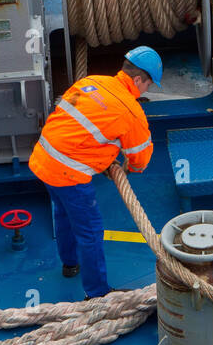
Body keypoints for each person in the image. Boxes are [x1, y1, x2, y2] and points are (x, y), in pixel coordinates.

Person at [28, 46, 163, 299]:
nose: (147, 90)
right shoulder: (131, 112)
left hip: (42, 159)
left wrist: (102, 160)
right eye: (148, 85)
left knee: (62, 213)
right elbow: (140, 159)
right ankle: (97, 294)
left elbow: (79, 126)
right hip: (68, 175)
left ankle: (69, 264)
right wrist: (126, 169)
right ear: (137, 80)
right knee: (90, 232)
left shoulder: (92, 81)